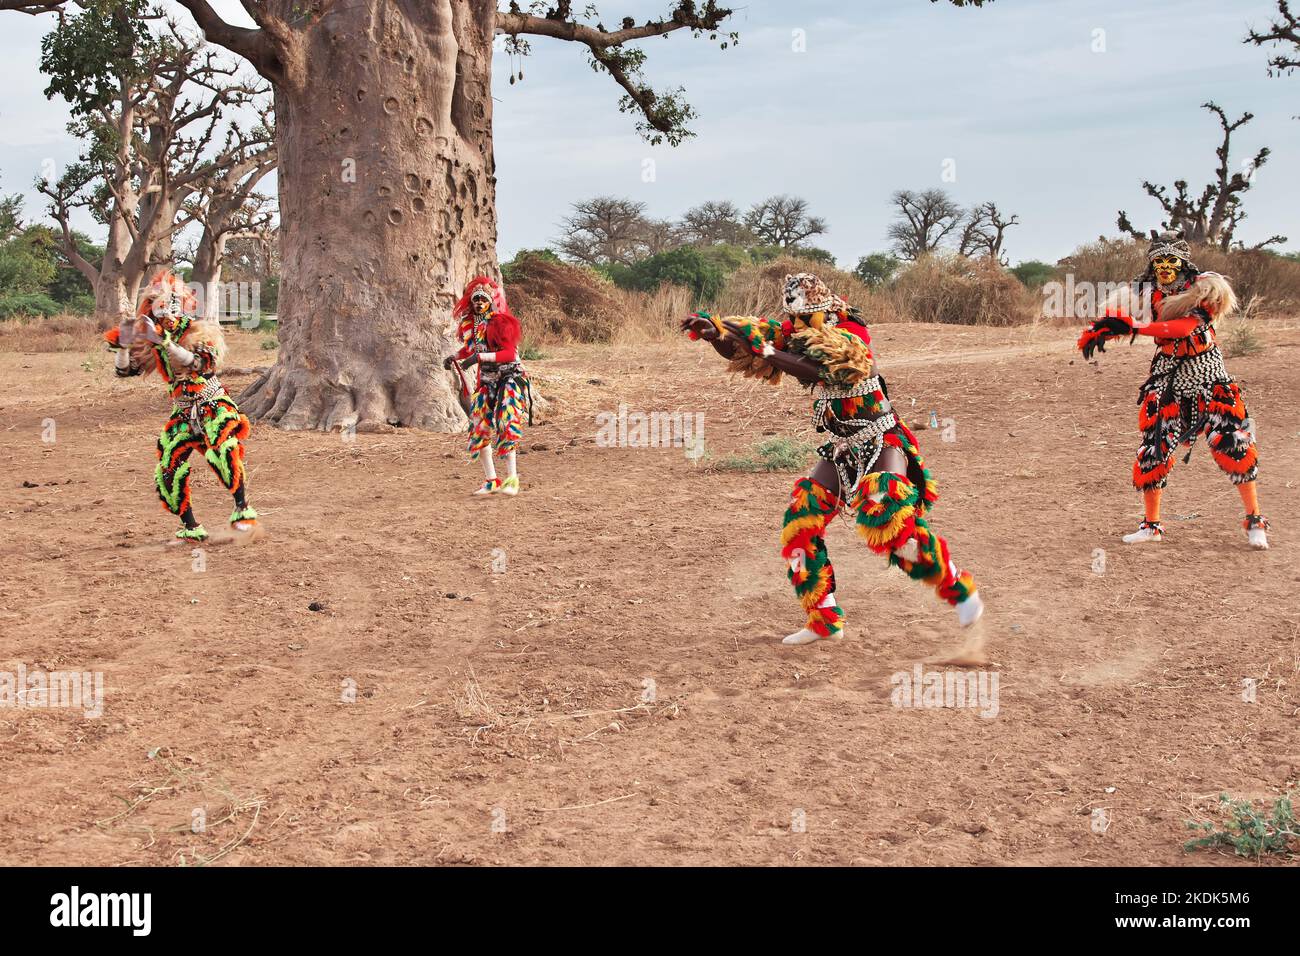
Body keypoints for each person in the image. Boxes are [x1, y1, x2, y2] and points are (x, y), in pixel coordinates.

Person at [681, 272, 983, 646]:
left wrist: (771, 352)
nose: (799, 327)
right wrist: (718, 335)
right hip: (841, 448)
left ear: (825, 311)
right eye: (796, 319)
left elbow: (819, 368)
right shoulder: (794, 332)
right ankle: (823, 620)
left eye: (808, 319)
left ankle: (956, 587)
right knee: (800, 525)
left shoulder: (851, 336)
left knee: (888, 522)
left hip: (881, 440)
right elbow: (747, 348)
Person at [1078, 230, 1268, 549]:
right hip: (1166, 375)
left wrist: (1136, 327)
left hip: (1208, 373)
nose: (1165, 266)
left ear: (1183, 262)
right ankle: (1151, 526)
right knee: (1154, 448)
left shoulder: (1204, 288)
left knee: (1233, 444)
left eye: (1171, 260)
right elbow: (1124, 320)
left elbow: (1185, 327)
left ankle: (1255, 521)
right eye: (1159, 261)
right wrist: (1104, 330)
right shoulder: (1144, 292)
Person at [105, 269, 258, 541]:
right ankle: (190, 527)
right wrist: (123, 348)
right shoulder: (153, 335)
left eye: (171, 304)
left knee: (223, 452)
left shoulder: (198, 331)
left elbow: (199, 364)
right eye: (160, 307)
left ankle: (242, 508)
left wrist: (165, 342)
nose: (168, 312)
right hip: (183, 411)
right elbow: (125, 372)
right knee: (168, 467)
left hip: (212, 404)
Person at [443, 276, 530, 496]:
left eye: (483, 299)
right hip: (486, 380)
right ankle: (491, 480)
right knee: (479, 427)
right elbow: (471, 349)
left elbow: (509, 353)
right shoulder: (472, 325)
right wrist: (454, 356)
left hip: (509, 377)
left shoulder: (500, 323)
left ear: (490, 301)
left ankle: (512, 479)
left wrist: (479, 358)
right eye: (476, 300)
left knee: (506, 422)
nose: (479, 303)